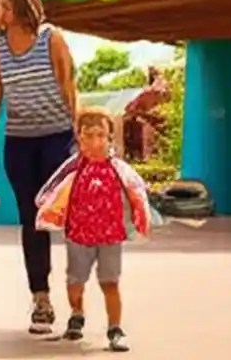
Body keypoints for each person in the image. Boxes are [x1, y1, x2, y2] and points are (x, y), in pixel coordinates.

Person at [0, 0, 77, 334]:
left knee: (70, 218)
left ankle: (78, 299)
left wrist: (82, 137)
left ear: (22, 4)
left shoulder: (51, 38)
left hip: (58, 140)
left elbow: (69, 88)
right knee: (32, 220)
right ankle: (41, 299)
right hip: (20, 144)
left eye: (5, 3)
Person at [44, 108, 150, 352]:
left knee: (110, 283)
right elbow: (51, 191)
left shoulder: (119, 168)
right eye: (88, 135)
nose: (95, 142)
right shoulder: (73, 168)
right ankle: (77, 313)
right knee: (75, 282)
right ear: (79, 137)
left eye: (101, 135)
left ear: (109, 137)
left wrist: (140, 219)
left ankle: (115, 329)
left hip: (110, 236)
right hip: (79, 235)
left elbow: (137, 192)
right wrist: (49, 214)